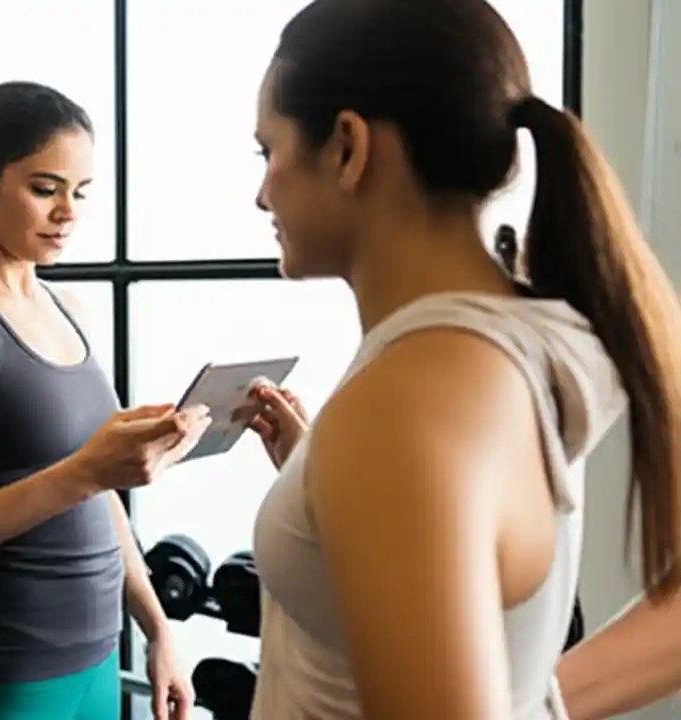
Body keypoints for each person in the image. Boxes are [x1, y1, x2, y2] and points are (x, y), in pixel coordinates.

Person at [237, 0, 681, 717]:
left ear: (348, 147)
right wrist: (322, 478)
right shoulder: (511, 345)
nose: (262, 193)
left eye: (270, 151)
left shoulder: (409, 397)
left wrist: (361, 459)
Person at [0, 80, 211, 720]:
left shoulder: (68, 309)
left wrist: (158, 627)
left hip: (95, 662)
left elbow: (99, 492)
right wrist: (83, 471)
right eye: (44, 188)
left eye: (79, 193)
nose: (68, 212)